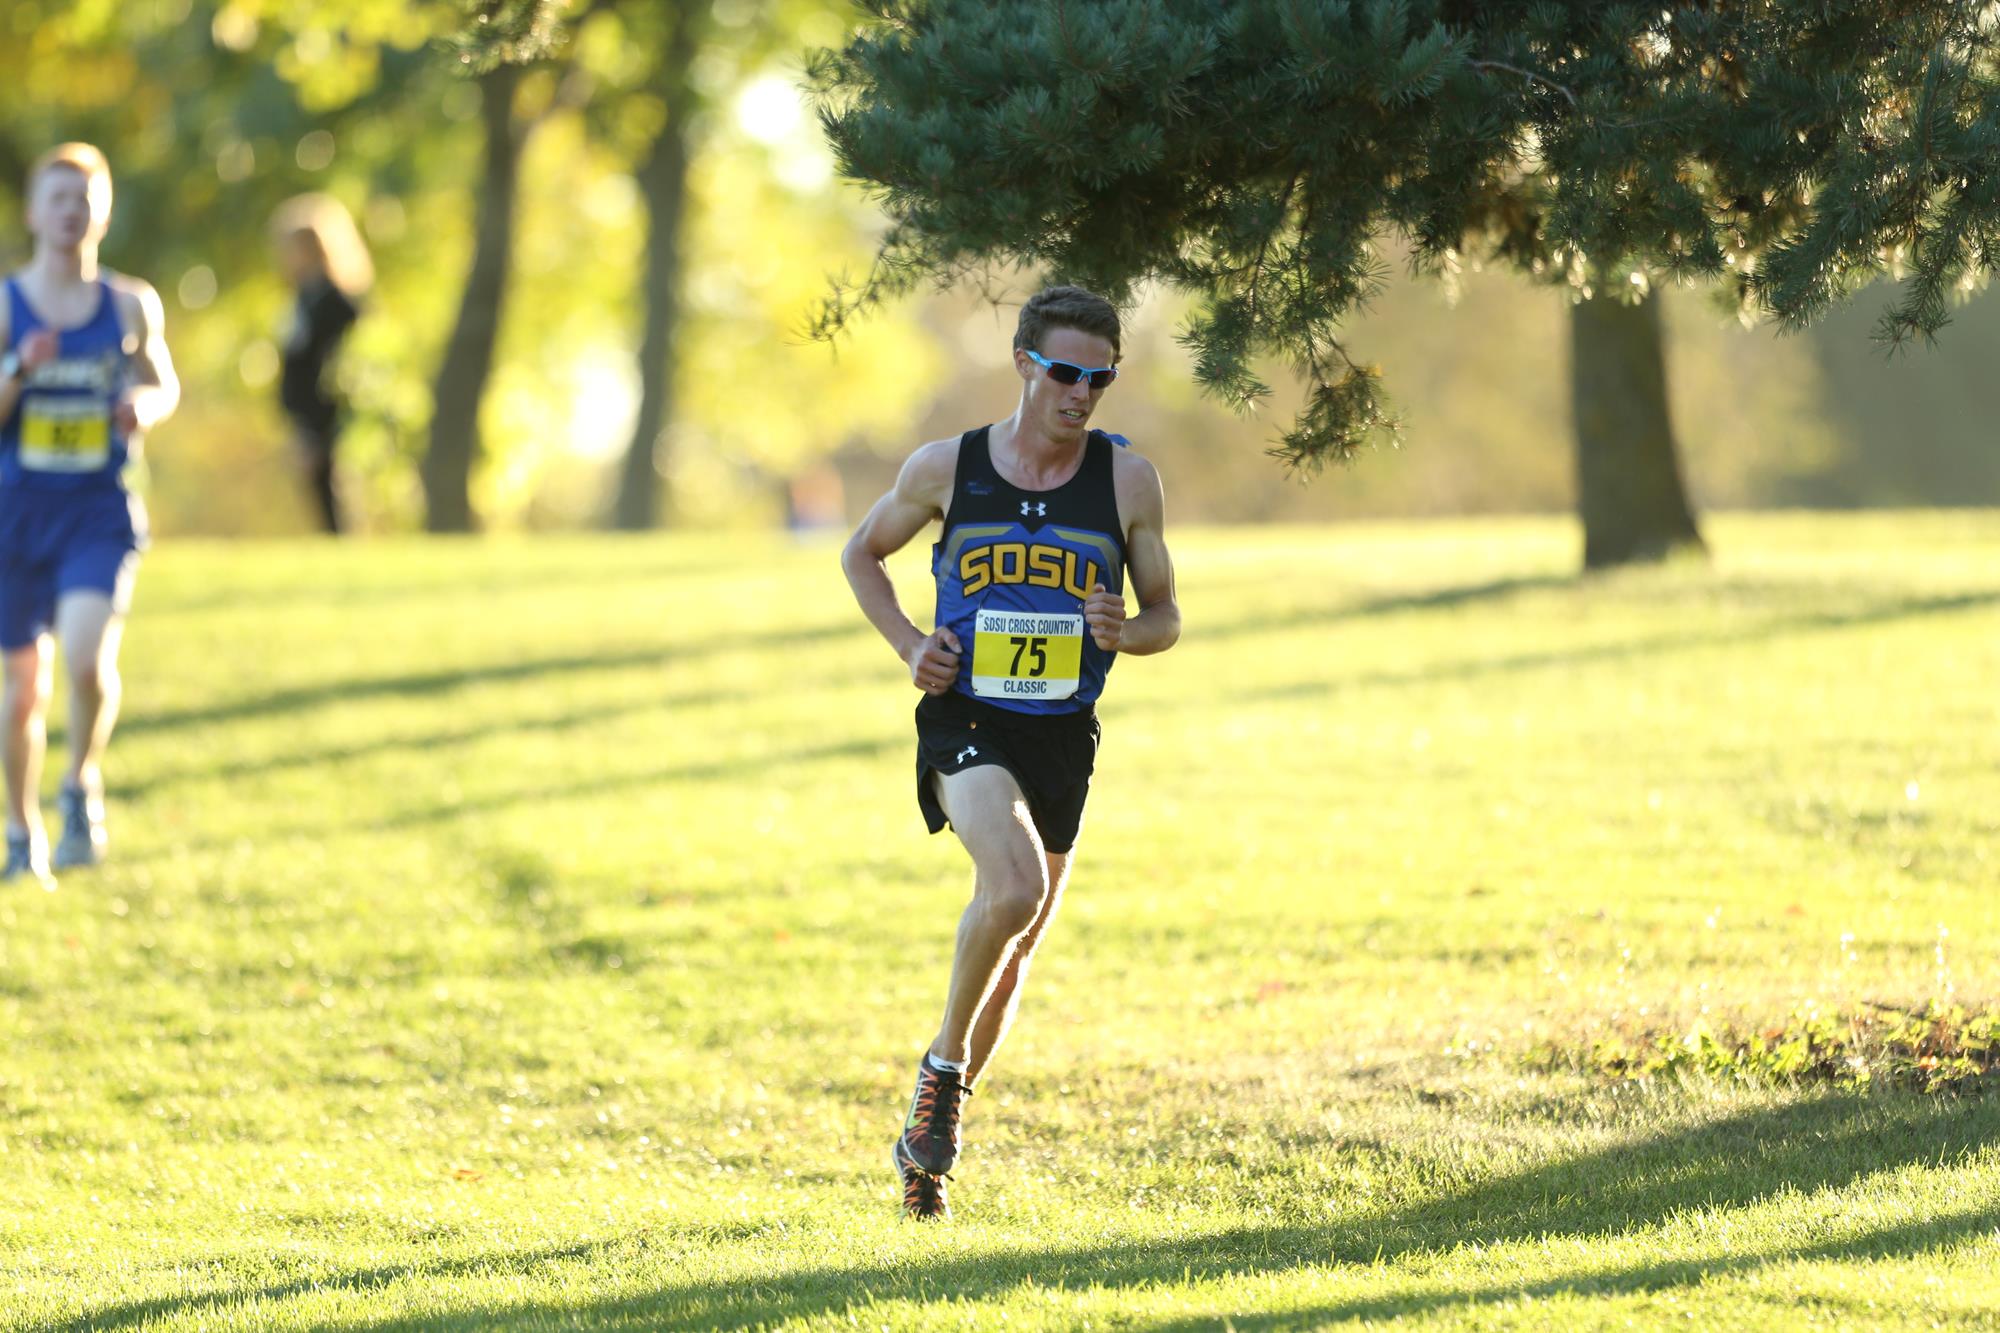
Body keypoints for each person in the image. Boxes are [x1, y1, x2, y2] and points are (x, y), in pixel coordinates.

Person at [840, 285, 1182, 1219]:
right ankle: (941, 1078)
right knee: (1016, 884)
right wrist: (914, 646)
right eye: (1066, 372)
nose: (1081, 392)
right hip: (969, 718)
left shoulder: (1127, 482)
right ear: (1026, 363)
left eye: (1099, 378)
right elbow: (861, 554)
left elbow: (1167, 619)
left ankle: (926, 1155)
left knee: (1018, 938)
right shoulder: (948, 467)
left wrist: (1123, 628)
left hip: (1063, 733)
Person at [0, 143, 178, 886]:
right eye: (59, 198)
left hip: (97, 511)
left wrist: (144, 404)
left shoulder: (131, 302)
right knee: (24, 687)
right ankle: (21, 828)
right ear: (35, 213)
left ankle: (80, 786)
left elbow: (165, 383)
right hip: (16, 515)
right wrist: (18, 371)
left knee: (84, 660)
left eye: (86, 198)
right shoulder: (6, 304)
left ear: (103, 211)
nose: (72, 210)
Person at [271, 193, 369, 535]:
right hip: (305, 414)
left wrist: (316, 424)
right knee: (318, 495)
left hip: (326, 415)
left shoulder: (339, 304)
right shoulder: (302, 298)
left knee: (335, 491)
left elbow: (334, 366)